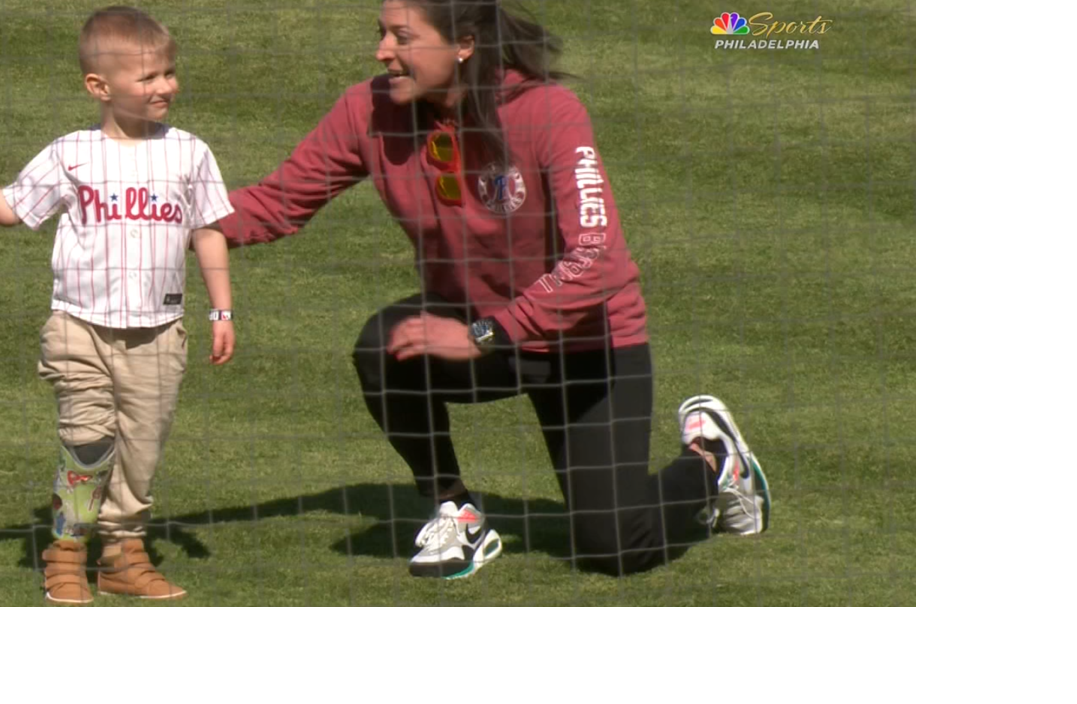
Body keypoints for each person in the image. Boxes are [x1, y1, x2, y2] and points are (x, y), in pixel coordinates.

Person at [217, 0, 769, 577]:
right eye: (380, 33)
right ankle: (456, 511)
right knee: (384, 344)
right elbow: (274, 204)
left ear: (463, 44)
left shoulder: (546, 111)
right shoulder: (369, 110)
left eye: (402, 37)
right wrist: (155, 220)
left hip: (586, 346)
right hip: (480, 329)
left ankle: (715, 462)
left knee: (616, 547)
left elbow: (597, 260)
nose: (382, 51)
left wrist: (489, 332)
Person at [0, 5, 236, 603]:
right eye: (149, 78)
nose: (166, 87)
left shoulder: (190, 152)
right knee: (89, 443)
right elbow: (9, 208)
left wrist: (222, 311)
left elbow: (208, 230)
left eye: (169, 74)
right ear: (100, 87)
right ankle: (66, 550)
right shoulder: (71, 153)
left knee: (141, 452)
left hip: (160, 333)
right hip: (78, 328)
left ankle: (124, 558)